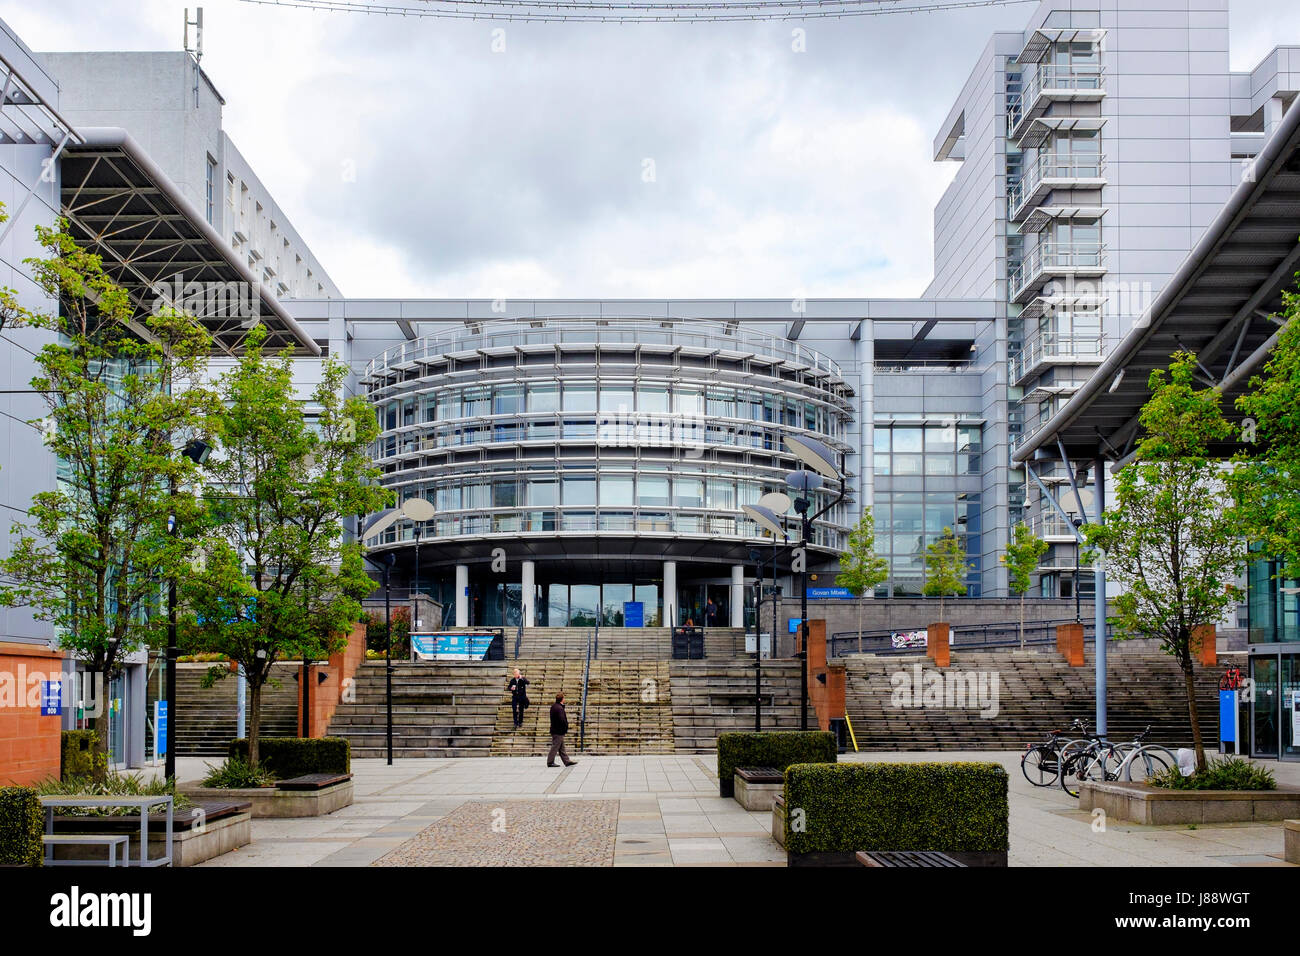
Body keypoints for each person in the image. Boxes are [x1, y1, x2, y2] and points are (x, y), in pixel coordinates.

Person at [547, 692, 577, 768]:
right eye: (564, 698)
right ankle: (550, 762)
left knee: (561, 748)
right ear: (562, 699)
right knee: (555, 746)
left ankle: (567, 761)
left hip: (556, 730)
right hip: (558, 731)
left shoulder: (555, 706)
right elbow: (562, 720)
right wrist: (565, 727)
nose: (564, 699)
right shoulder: (559, 708)